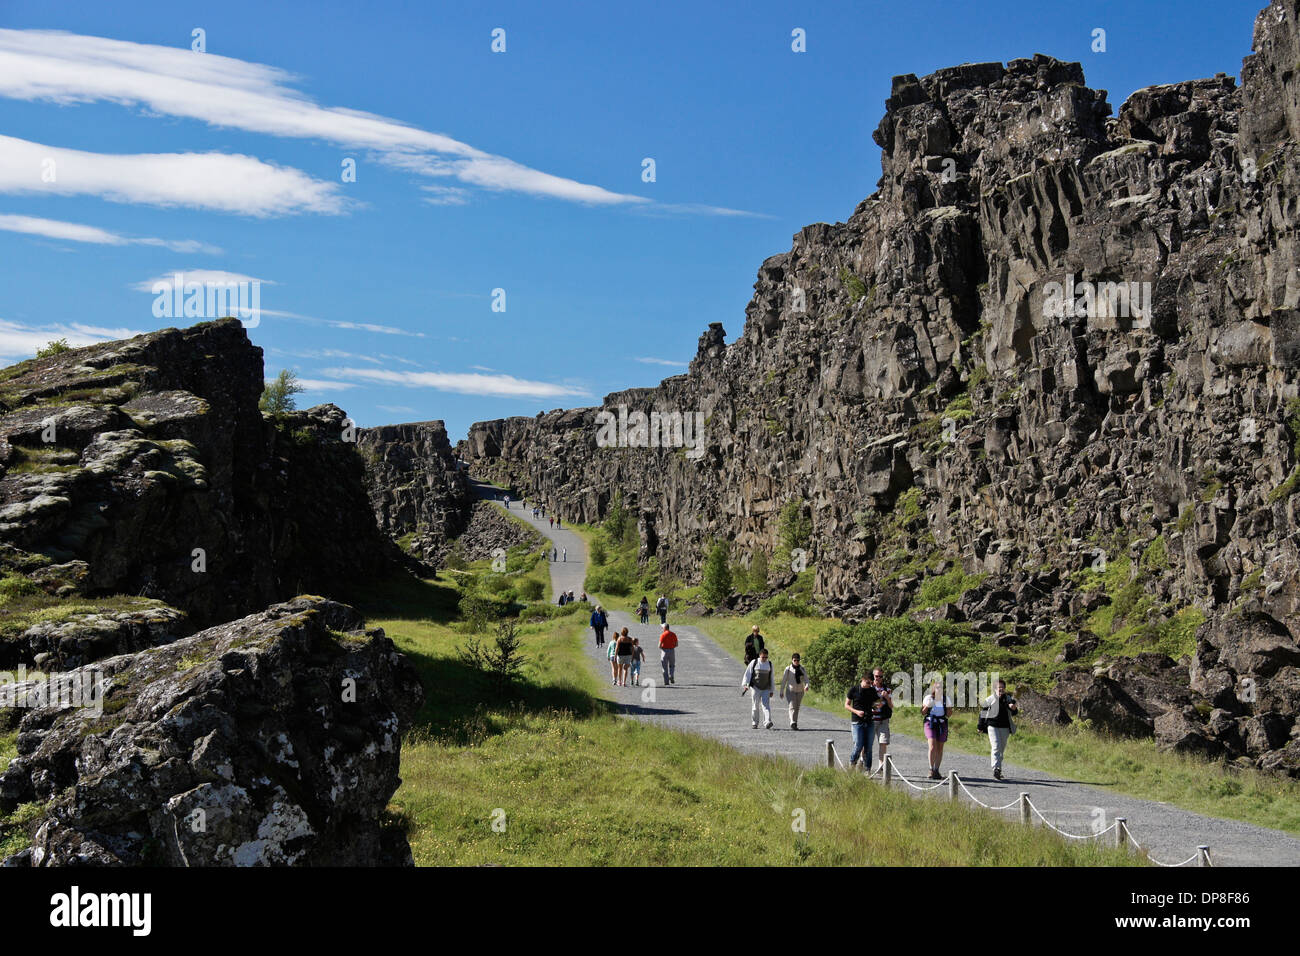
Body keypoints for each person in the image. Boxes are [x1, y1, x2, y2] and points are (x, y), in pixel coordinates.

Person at [981, 679, 1018, 780]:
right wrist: (980, 726)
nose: (1001, 689)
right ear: (995, 689)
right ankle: (996, 769)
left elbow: (1015, 712)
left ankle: (998, 769)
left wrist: (1013, 708)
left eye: (1002, 687)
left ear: (1005, 689)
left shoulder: (1008, 699)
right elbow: (983, 713)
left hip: (1005, 727)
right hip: (992, 726)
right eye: (999, 687)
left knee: (1001, 749)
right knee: (996, 746)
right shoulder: (990, 699)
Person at [845, 673, 879, 771]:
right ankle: (852, 763)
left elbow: (877, 703)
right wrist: (856, 712)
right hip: (857, 721)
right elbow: (846, 705)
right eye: (868, 682)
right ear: (863, 679)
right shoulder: (854, 689)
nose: (869, 685)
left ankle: (867, 769)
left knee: (869, 747)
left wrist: (877, 705)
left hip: (869, 721)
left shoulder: (872, 690)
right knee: (858, 745)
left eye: (871, 683)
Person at [921, 681, 952, 780]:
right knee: (932, 746)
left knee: (940, 748)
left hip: (942, 723)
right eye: (937, 688)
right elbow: (923, 712)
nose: (939, 690)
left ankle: (936, 770)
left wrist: (949, 708)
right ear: (933, 689)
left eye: (940, 688)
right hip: (930, 722)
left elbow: (949, 714)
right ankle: (931, 769)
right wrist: (927, 706)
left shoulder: (946, 699)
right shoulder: (928, 698)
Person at [742, 649, 775, 729]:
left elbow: (771, 677)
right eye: (763, 657)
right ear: (759, 655)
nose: (764, 659)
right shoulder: (754, 662)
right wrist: (746, 684)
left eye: (766, 657)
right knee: (755, 706)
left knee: (766, 706)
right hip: (755, 688)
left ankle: (767, 722)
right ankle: (755, 722)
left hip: (766, 688)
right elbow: (748, 673)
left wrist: (771, 690)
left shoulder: (769, 664)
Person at [869, 668, 893, 772]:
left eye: (880, 676)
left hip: (883, 720)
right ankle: (864, 762)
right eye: (876, 676)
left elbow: (891, 706)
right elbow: (868, 705)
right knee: (868, 743)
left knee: (883, 743)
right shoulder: (868, 688)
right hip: (871, 720)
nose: (878, 678)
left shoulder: (887, 690)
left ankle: (881, 767)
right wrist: (880, 702)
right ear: (873, 676)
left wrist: (887, 698)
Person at [779, 653, 809, 730]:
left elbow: (806, 679)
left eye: (797, 660)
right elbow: (784, 681)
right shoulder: (788, 669)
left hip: (800, 691)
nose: (796, 662)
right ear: (792, 660)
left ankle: (795, 723)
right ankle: (792, 721)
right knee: (792, 706)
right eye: (794, 660)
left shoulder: (802, 669)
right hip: (790, 690)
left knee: (797, 707)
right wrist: (781, 691)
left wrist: (806, 686)